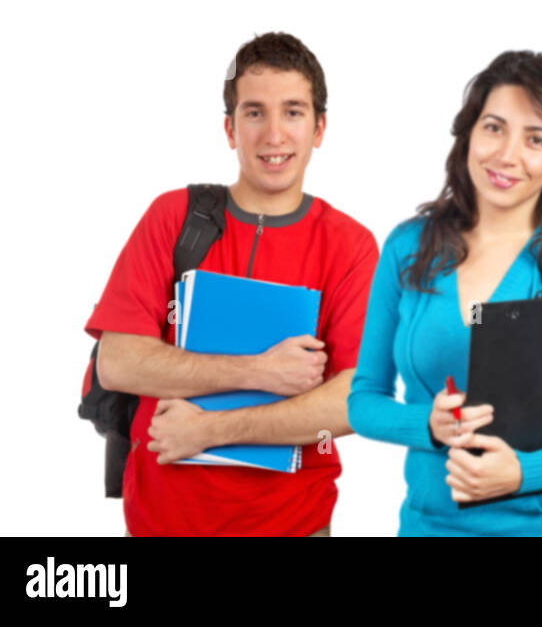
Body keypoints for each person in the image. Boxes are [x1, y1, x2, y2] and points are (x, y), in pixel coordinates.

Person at [348, 50, 542, 536]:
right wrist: (427, 426)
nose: (507, 154)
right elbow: (362, 401)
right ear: (469, 133)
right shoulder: (407, 248)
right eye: (494, 127)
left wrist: (524, 473)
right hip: (432, 524)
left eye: (535, 138)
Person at [86, 31, 379, 536]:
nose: (274, 135)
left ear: (319, 128)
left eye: (293, 111)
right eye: (254, 112)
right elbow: (117, 362)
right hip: (163, 522)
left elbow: (353, 401)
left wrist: (208, 431)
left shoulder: (350, 246)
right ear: (230, 128)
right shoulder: (173, 217)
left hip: (293, 524)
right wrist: (260, 371)